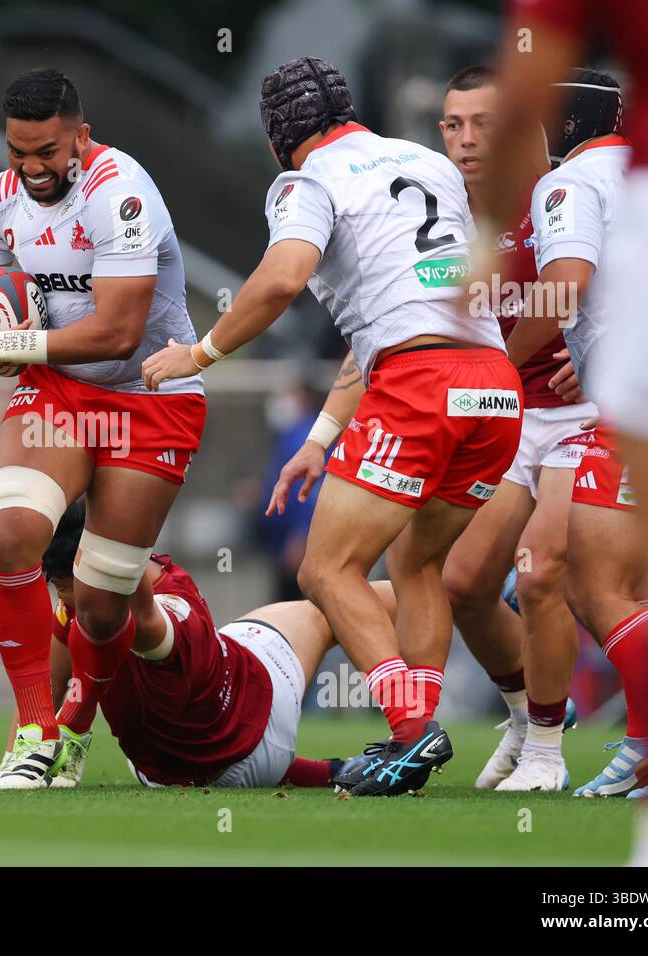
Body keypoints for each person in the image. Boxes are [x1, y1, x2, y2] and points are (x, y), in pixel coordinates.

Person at [144, 57, 522, 796]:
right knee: (416, 565)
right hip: (493, 388)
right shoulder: (426, 162)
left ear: (279, 133)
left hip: (421, 384)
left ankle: (413, 733)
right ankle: (415, 737)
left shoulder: (304, 180)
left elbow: (283, 277)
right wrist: (319, 440)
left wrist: (201, 350)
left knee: (324, 568)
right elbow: (388, 319)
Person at [486, 0, 648, 864]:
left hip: (635, 384)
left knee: (595, 575)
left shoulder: (571, 181)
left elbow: (566, 284)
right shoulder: (637, 173)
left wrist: (494, 359)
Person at [0, 69, 206, 788]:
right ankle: (31, 732)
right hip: (59, 393)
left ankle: (75, 732)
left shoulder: (123, 193)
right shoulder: (0, 197)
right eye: (19, 152)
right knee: (13, 533)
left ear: (80, 135)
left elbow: (118, 333)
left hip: (151, 395)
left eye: (46, 151)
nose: (32, 169)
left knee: (103, 607)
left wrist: (5, 347)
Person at [3, 500, 398, 790]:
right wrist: (12, 762)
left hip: (219, 749)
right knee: (322, 612)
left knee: (323, 608)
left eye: (62, 585)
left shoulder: (161, 615)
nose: (61, 596)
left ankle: (433, 602)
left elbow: (128, 620)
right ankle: (430, 599)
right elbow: (46, 693)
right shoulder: (95, 595)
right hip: (233, 736)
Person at [437, 65, 592, 791]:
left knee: (540, 577)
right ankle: (525, 718)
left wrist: (602, 355)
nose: (467, 142)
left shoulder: (569, 193)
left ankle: (547, 756)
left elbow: (594, 291)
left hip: (585, 416)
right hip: (509, 416)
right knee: (464, 582)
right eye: (452, 126)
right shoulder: (450, 216)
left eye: (484, 125)